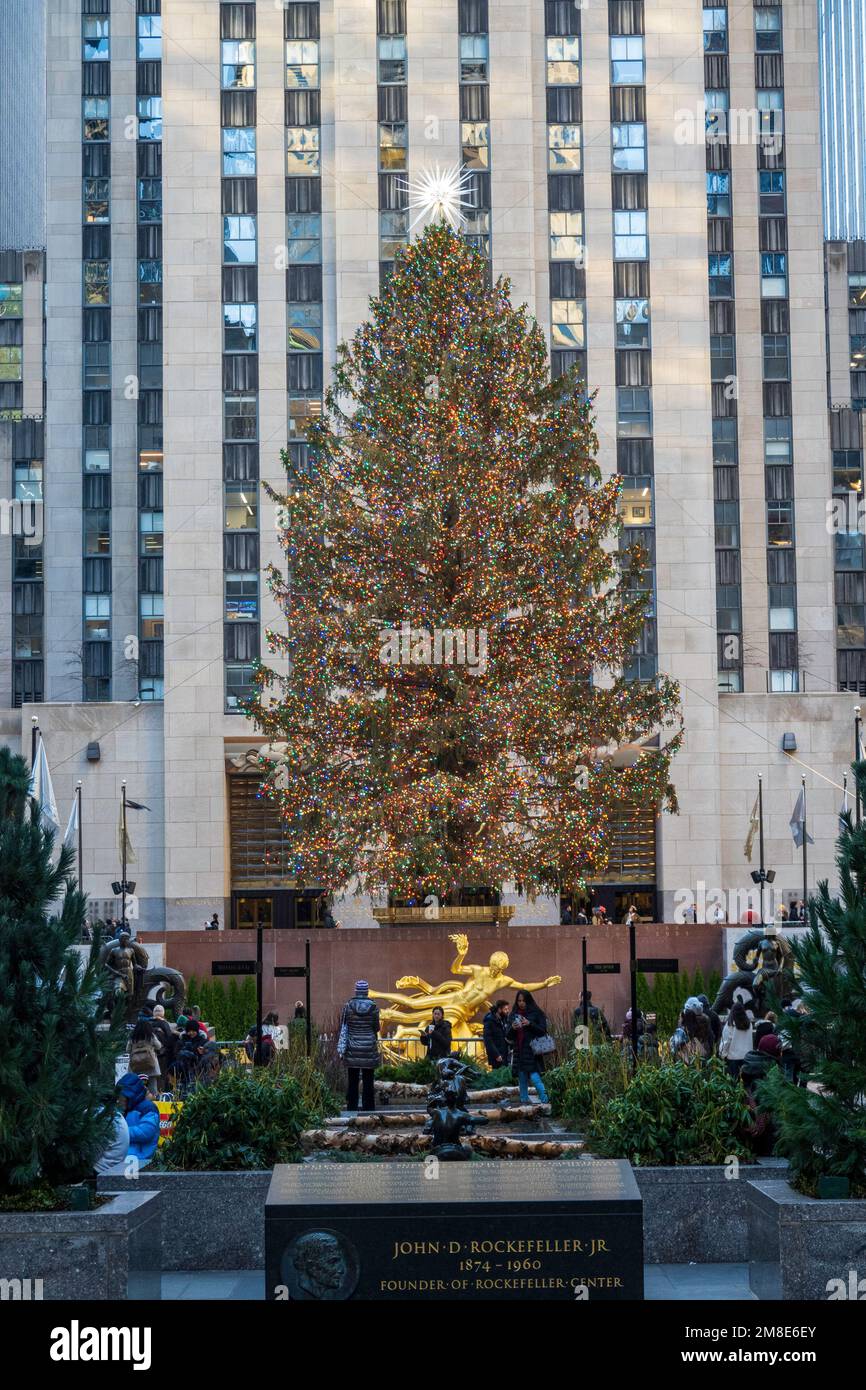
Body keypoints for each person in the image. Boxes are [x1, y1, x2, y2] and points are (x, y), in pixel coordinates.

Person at [338, 980, 380, 1112]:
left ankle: (352, 1107)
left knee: (353, 1080)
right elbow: (376, 1027)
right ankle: (369, 1108)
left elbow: (345, 1025)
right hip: (368, 1047)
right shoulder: (373, 1007)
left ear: (356, 991)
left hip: (352, 1047)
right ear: (367, 991)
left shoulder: (348, 1006)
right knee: (368, 1081)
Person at [505, 990, 550, 1105]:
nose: (521, 1003)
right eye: (519, 1001)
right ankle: (524, 1103)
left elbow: (542, 1031)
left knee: (535, 1077)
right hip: (519, 1051)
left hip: (532, 1051)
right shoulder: (513, 1014)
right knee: (522, 1078)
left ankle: (545, 1101)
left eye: (524, 1000)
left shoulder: (536, 1012)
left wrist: (530, 1024)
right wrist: (513, 1028)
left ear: (528, 1000)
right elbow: (508, 1035)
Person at [116, 1072, 160, 1167]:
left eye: (122, 1097)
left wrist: (119, 1132)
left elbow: (145, 1132)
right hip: (126, 1156)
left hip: (140, 1158)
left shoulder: (148, 1108)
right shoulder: (126, 1109)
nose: (120, 1100)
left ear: (130, 1095)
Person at [719, 1000, 753, 1077]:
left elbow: (726, 1042)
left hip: (733, 1059)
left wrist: (722, 1055)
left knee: (734, 1083)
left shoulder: (730, 1025)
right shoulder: (749, 1025)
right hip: (747, 1058)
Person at [128, 1020, 162, 1095]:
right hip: (151, 1065)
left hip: (135, 1066)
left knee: (136, 1087)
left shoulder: (133, 1037)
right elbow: (159, 1046)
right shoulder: (151, 1036)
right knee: (153, 1088)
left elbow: (127, 1050)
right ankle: (153, 1103)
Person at [94, 1110, 130, 1175]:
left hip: (101, 1169)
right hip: (114, 1165)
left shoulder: (102, 1115)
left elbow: (94, 1153)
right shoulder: (117, 1113)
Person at [482, 999, 510, 1068]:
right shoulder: (489, 1021)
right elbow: (488, 1040)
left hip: (505, 1054)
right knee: (497, 1076)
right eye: (505, 1009)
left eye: (508, 1009)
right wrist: (496, 1054)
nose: (507, 1011)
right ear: (499, 1010)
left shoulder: (504, 1019)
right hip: (497, 1056)